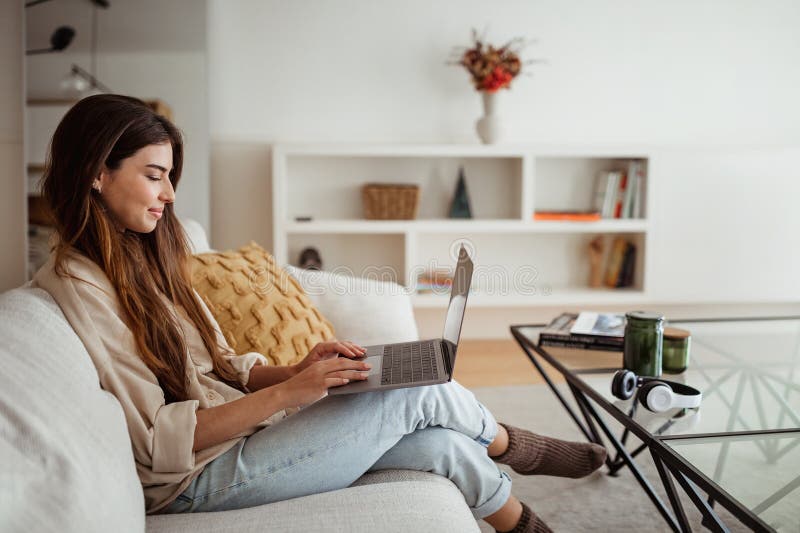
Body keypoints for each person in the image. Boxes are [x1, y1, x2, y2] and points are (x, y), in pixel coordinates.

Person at [33, 94, 606, 533]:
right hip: (193, 479)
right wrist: (291, 396)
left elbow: (223, 365)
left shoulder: (145, 255)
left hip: (241, 436)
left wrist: (296, 372)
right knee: (415, 389)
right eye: (154, 176)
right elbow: (158, 442)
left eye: (170, 178)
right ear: (97, 172)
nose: (170, 194)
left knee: (443, 445)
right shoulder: (81, 286)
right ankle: (519, 445)